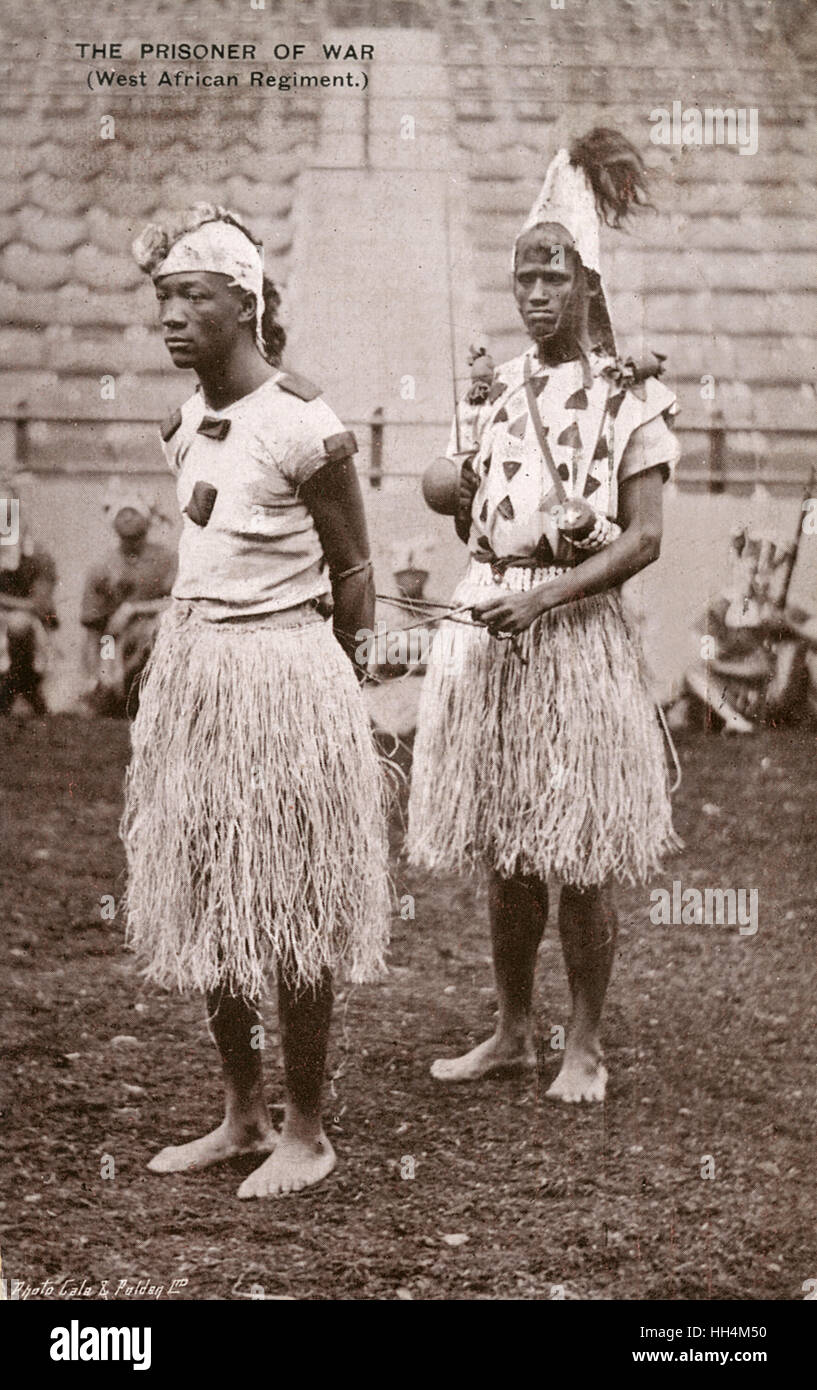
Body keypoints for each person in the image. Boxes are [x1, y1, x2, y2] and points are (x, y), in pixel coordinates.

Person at [408, 130, 680, 1102]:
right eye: (523, 275)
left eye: (552, 275)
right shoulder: (495, 391)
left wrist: (548, 591)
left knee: (579, 846)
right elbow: (463, 501)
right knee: (507, 845)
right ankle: (515, 1030)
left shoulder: (631, 396)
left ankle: (587, 1044)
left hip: (571, 638)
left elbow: (643, 540)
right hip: (492, 630)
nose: (533, 293)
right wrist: (450, 487)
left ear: (587, 285)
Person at [123, 204, 390, 1196]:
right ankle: (241, 1110)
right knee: (210, 890)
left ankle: (307, 1128)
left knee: (291, 899)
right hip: (199, 677)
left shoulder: (305, 424)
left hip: (287, 681)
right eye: (163, 298)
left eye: (194, 297)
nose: (172, 316)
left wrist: (337, 692)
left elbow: (355, 569)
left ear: (247, 305)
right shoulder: (182, 423)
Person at [80, 491, 176, 715]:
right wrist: (96, 675)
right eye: (122, 513)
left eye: (134, 512)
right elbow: (94, 629)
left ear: (148, 519)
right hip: (113, 644)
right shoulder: (102, 565)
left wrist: (134, 609)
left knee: (159, 628)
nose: (128, 518)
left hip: (152, 636)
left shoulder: (166, 559)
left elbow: (179, 603)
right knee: (105, 692)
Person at [0, 477, 58, 716]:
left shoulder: (36, 555)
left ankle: (23, 690)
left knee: (19, 624)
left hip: (24, 629)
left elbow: (40, 605)